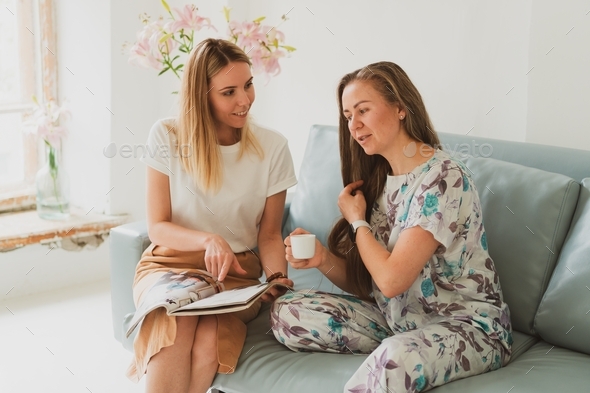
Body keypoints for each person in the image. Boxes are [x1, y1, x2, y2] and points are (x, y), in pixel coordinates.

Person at [271, 61, 512, 392]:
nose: (354, 125)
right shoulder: (378, 181)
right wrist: (321, 258)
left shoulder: (443, 178)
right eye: (347, 116)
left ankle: (405, 355)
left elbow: (391, 281)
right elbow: (371, 286)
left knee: (394, 358)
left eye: (363, 111)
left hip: (469, 328)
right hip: (400, 321)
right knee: (288, 311)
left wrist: (357, 221)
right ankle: (410, 349)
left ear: (400, 107)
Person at [126, 38, 296, 393]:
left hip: (235, 276)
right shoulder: (167, 136)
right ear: (202, 96)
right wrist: (208, 240)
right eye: (229, 92)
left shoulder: (273, 147)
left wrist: (277, 279)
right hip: (169, 265)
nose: (244, 100)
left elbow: (268, 234)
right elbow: (158, 227)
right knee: (178, 324)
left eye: (248, 85)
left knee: (207, 340)